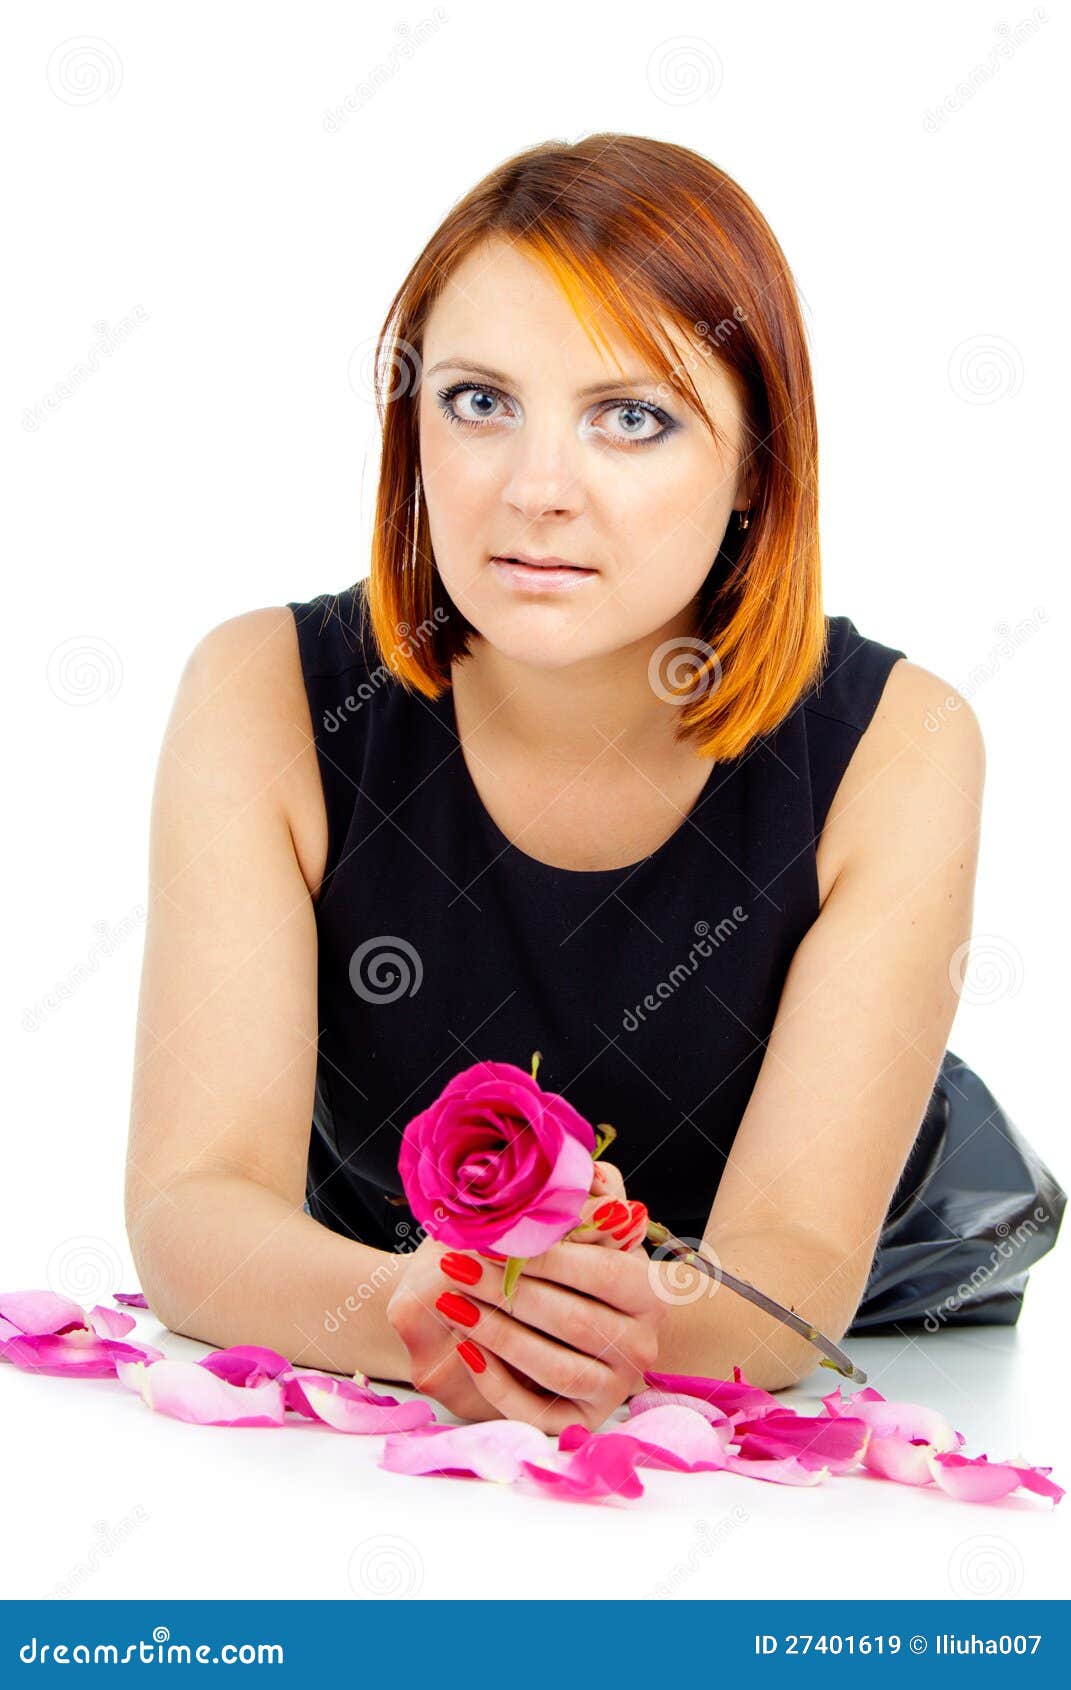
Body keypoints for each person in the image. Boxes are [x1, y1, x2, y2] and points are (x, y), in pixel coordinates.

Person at [124, 134, 984, 1433]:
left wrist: (570, 1337)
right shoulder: (266, 695)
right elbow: (194, 1196)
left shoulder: (900, 742)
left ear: (757, 463)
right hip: (384, 1259)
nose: (535, 491)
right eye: (479, 402)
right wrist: (423, 1314)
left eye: (630, 417)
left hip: (887, 1247)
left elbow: (792, 1264)